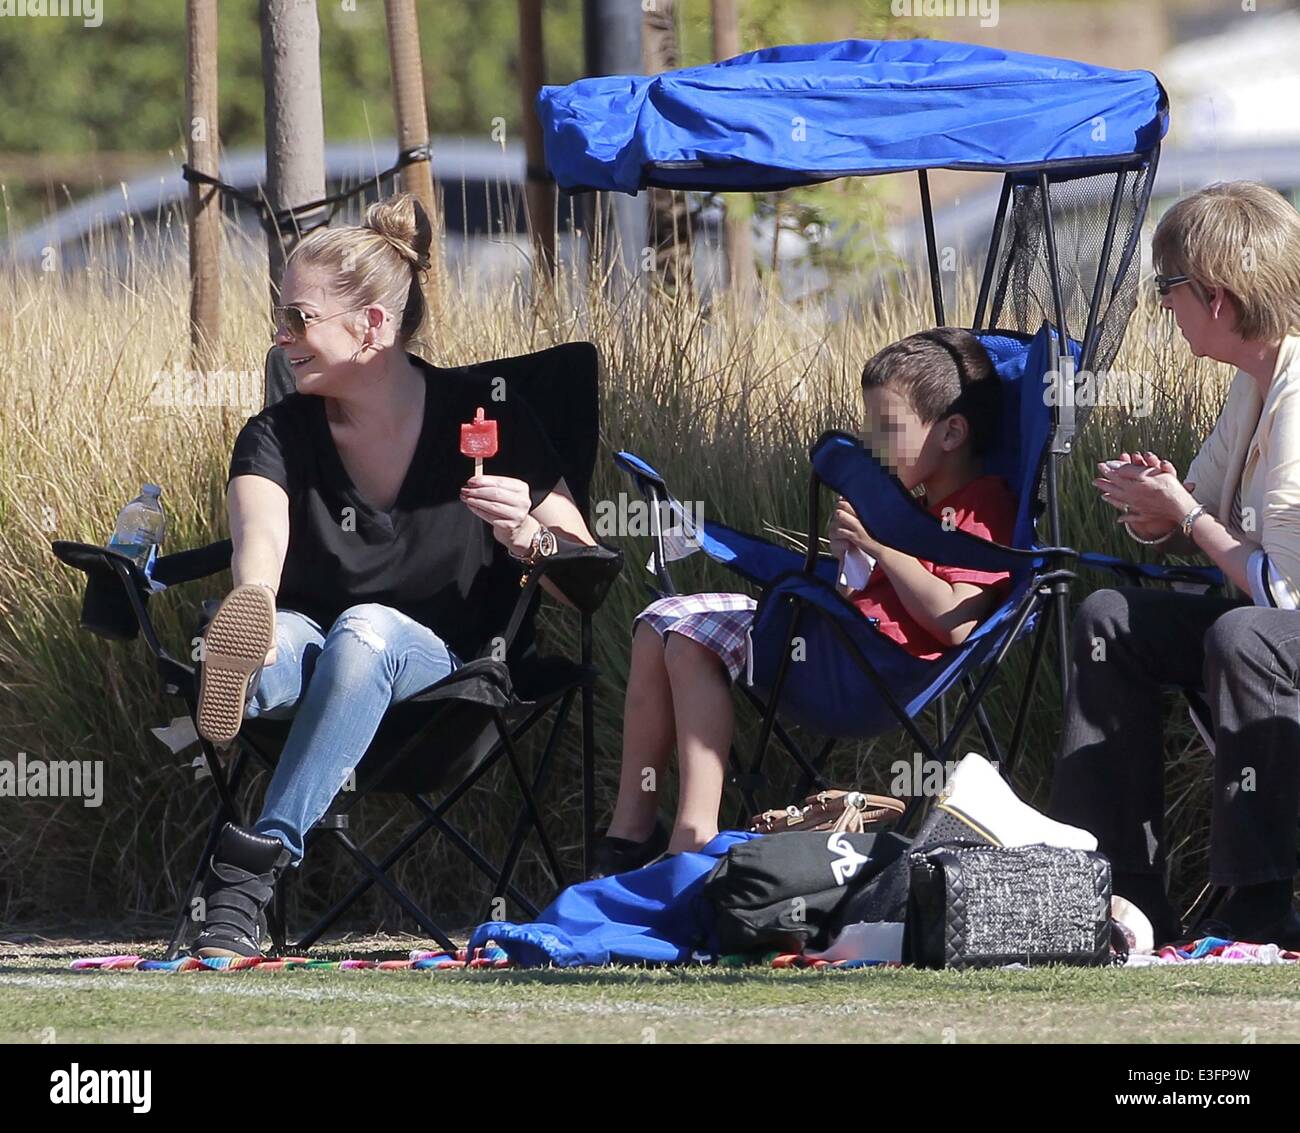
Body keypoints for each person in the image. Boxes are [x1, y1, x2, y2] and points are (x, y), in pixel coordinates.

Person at [189, 193, 595, 958]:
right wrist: (254, 601)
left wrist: (527, 533)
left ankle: (252, 862)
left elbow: (585, 578)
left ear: (373, 325)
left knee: (364, 630)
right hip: (316, 657)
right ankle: (243, 668)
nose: (281, 338)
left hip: (451, 674)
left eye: (299, 318)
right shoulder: (276, 432)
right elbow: (261, 536)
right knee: (276, 630)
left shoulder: (487, 417)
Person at [592, 327, 1018, 876]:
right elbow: (863, 597)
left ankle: (694, 838)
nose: (871, 443)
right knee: (658, 625)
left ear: (952, 433)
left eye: (887, 428)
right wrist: (853, 563)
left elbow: (956, 623)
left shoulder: (980, 510)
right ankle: (630, 836)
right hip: (835, 647)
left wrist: (882, 547)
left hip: (865, 672)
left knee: (687, 638)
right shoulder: (908, 507)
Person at [1049, 181, 1300, 949]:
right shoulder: (1251, 382)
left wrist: (1185, 516)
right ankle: (1121, 892)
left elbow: (1283, 593)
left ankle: (1258, 903)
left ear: (1216, 298)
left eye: (1169, 288)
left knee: (1244, 635)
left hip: (1277, 631)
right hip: (1266, 625)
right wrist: (1157, 507)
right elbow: (1202, 513)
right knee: (1109, 618)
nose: (1162, 305)